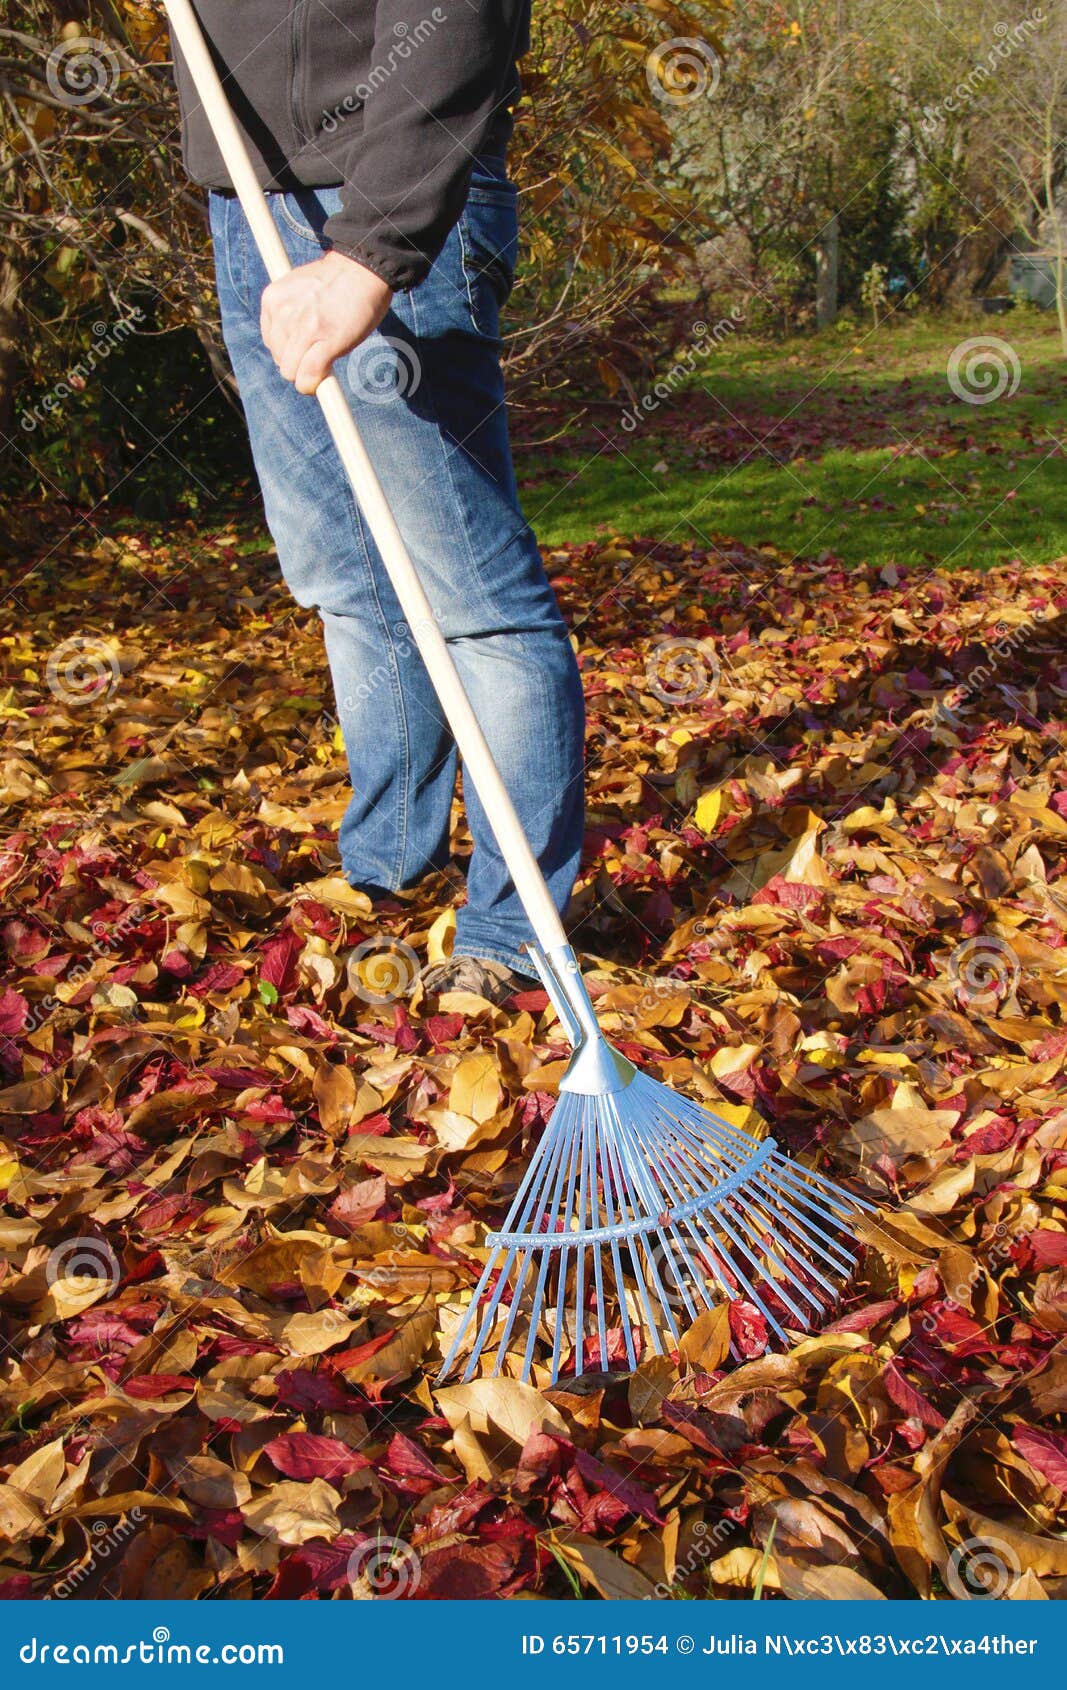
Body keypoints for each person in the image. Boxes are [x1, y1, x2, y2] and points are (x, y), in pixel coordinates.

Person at [171, 1, 585, 1002]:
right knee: (345, 575)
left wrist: (372, 247)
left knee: (467, 591)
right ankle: (391, 870)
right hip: (249, 197)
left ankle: (511, 927)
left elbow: (461, 14)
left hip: (396, 194)